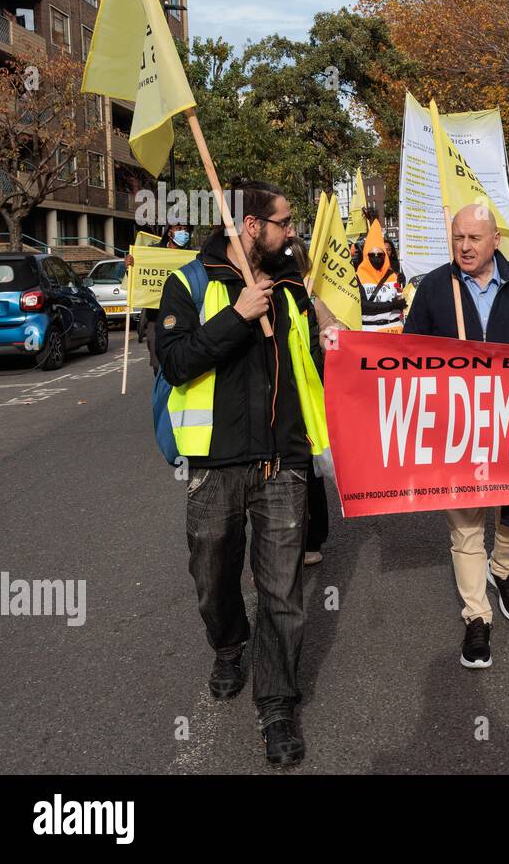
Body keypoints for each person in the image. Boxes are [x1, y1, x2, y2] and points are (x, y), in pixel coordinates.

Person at [155, 180, 335, 766]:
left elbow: (314, 362)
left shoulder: (289, 284)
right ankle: (229, 643)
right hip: (215, 464)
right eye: (283, 223)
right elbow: (177, 363)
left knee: (283, 591)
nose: (292, 233)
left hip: (284, 463)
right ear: (252, 226)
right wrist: (236, 316)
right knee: (212, 576)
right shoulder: (190, 282)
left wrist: (337, 346)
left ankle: (278, 704)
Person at [403, 202, 509, 669]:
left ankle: (506, 571)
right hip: (457, 428)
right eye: (458, 237)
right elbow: (407, 350)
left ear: (494, 240)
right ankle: (476, 618)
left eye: (474, 238)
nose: (464, 246)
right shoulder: (436, 287)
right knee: (465, 523)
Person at [288, 236, 329, 569]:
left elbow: (326, 344)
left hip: (310, 400)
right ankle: (285, 543)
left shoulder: (314, 302)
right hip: (285, 398)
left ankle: (312, 536)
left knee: (309, 471)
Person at [128, 220, 193, 372]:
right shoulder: (153, 252)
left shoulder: (193, 255)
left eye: (186, 229)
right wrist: (131, 266)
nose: (183, 232)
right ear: (169, 231)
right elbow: (138, 278)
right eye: (178, 228)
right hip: (156, 316)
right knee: (157, 360)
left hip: (185, 315)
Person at [355, 220, 404, 332]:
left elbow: (402, 301)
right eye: (372, 255)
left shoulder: (394, 275)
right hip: (370, 330)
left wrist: (403, 285)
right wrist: (390, 306)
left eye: (380, 254)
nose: (376, 257)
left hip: (394, 329)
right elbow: (363, 306)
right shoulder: (358, 277)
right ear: (366, 256)